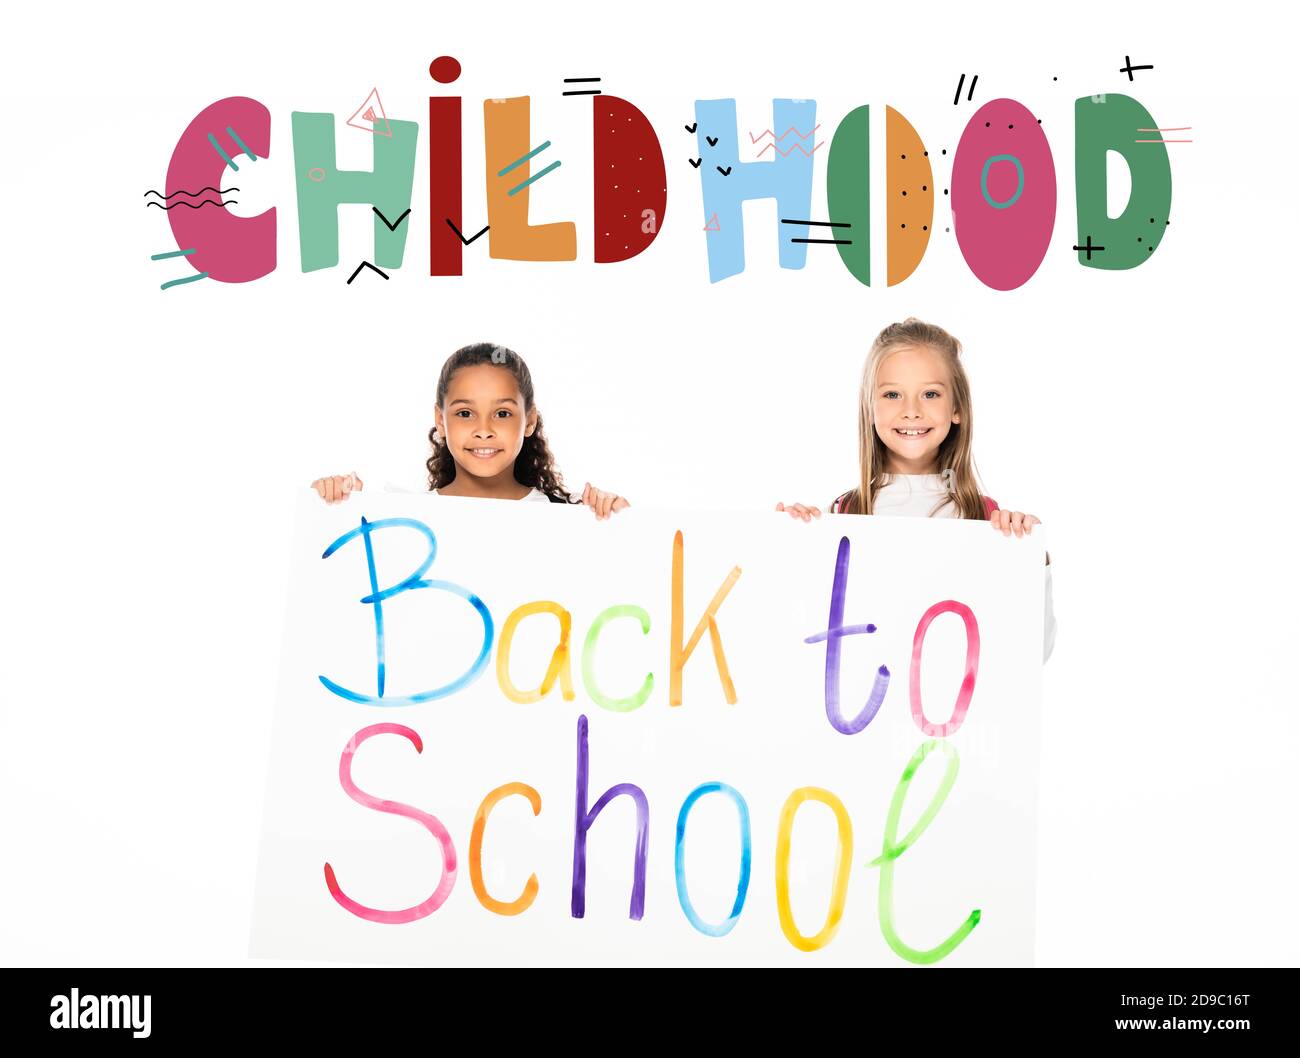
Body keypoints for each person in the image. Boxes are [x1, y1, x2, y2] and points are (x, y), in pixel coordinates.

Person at [776, 317, 1056, 662]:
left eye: (930, 394)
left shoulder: (987, 521)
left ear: (957, 409)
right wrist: (785, 550)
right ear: (870, 408)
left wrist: (1031, 559)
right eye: (892, 394)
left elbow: (1031, 656)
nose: (911, 411)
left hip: (954, 710)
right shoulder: (840, 515)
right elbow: (800, 642)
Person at [311, 342, 629, 519]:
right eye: (465, 413)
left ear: (529, 420)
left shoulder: (568, 517)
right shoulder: (405, 517)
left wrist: (620, 521)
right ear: (441, 420)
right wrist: (336, 505)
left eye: (502, 413)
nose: (484, 430)